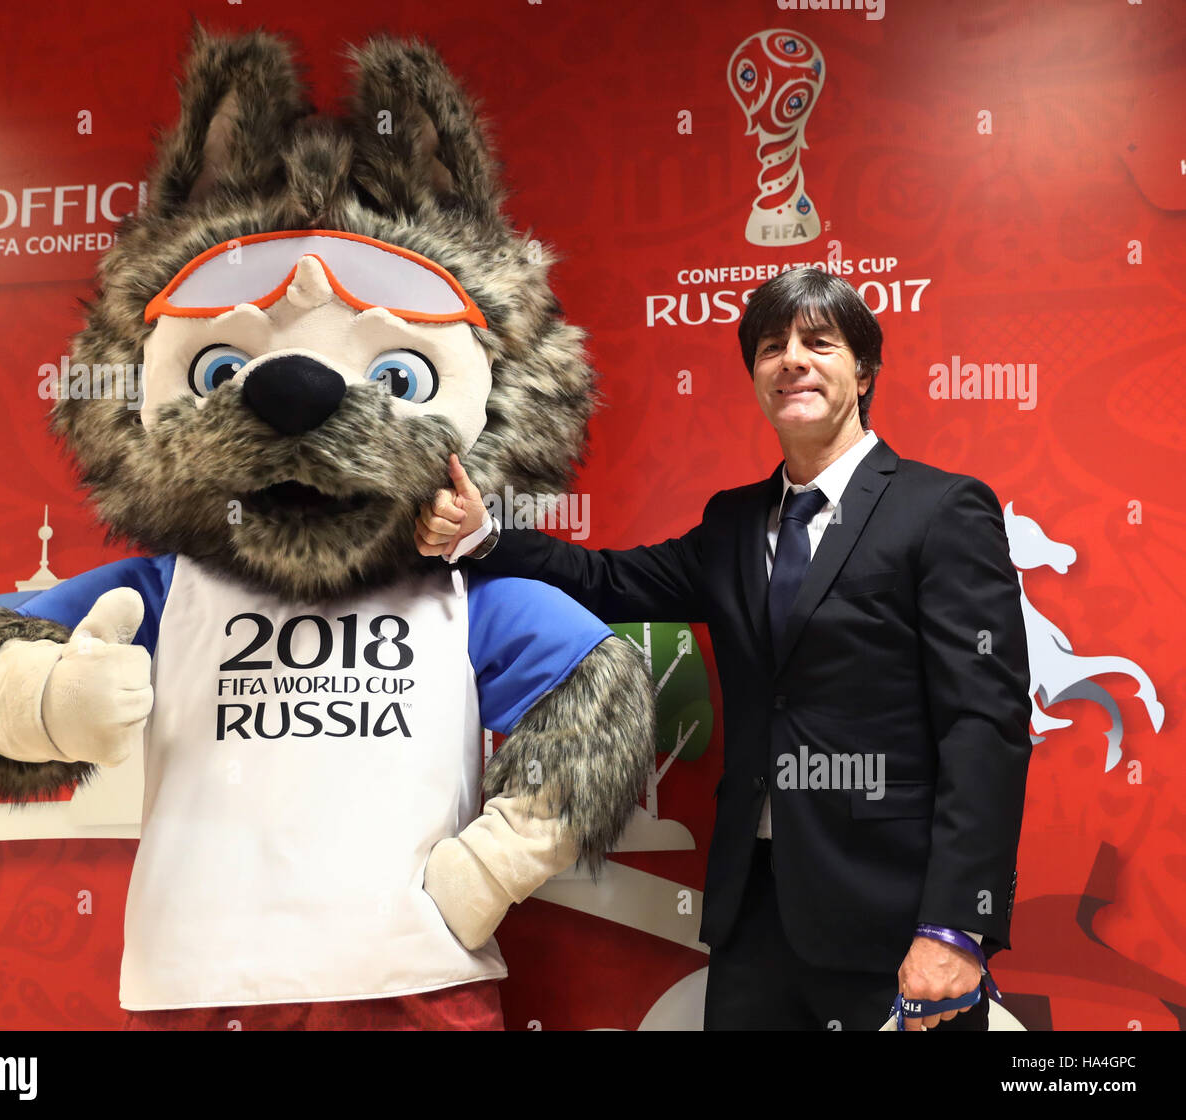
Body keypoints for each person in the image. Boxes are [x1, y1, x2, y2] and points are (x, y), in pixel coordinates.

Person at [415, 267, 1032, 1031]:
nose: (792, 360)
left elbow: (986, 728)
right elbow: (610, 580)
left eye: (819, 342)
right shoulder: (734, 522)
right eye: (771, 347)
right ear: (755, 377)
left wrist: (955, 925)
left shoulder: (942, 509)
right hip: (752, 914)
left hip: (895, 918)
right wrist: (487, 538)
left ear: (864, 370)